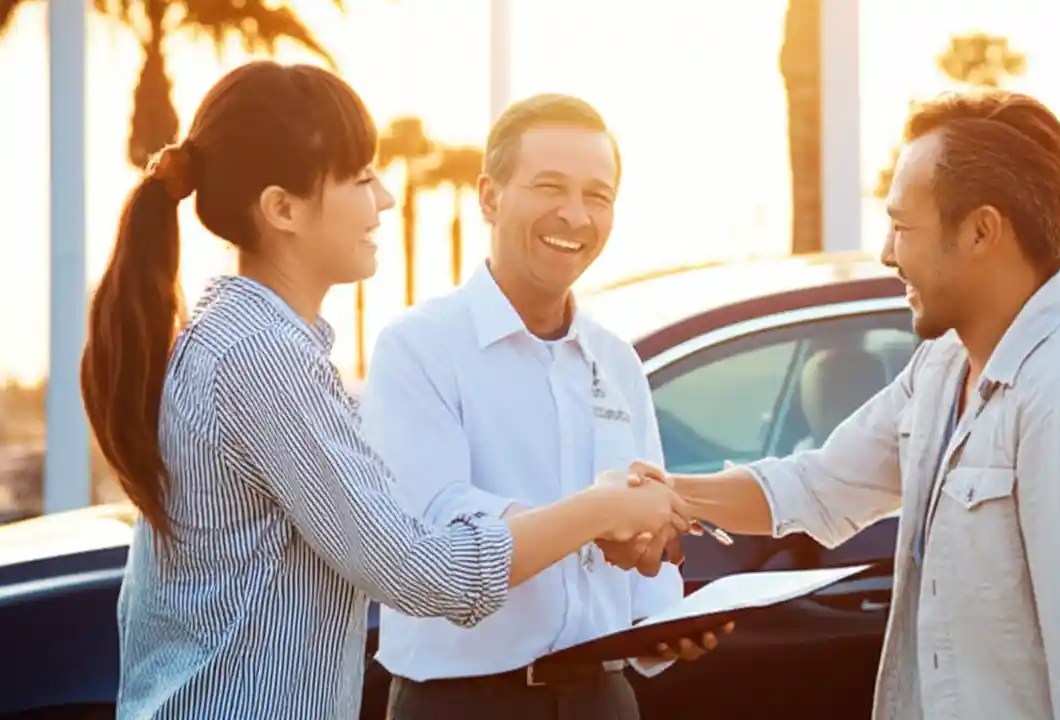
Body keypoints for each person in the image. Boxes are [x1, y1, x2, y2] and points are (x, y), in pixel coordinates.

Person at [79, 62, 690, 720]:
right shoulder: (260, 360)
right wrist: (598, 512)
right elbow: (424, 571)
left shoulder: (249, 347)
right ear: (282, 209)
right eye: (360, 178)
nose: (386, 200)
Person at [642, 91, 1060, 719]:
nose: (888, 253)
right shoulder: (943, 367)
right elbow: (820, 487)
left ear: (981, 230)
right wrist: (656, 496)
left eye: (901, 226)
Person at [360, 93, 727, 720]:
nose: (576, 215)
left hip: (602, 699)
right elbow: (436, 534)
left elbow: (646, 552)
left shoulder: (617, 362)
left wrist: (668, 623)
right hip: (461, 703)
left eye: (599, 195)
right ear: (489, 196)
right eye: (550, 186)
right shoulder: (416, 349)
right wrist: (599, 514)